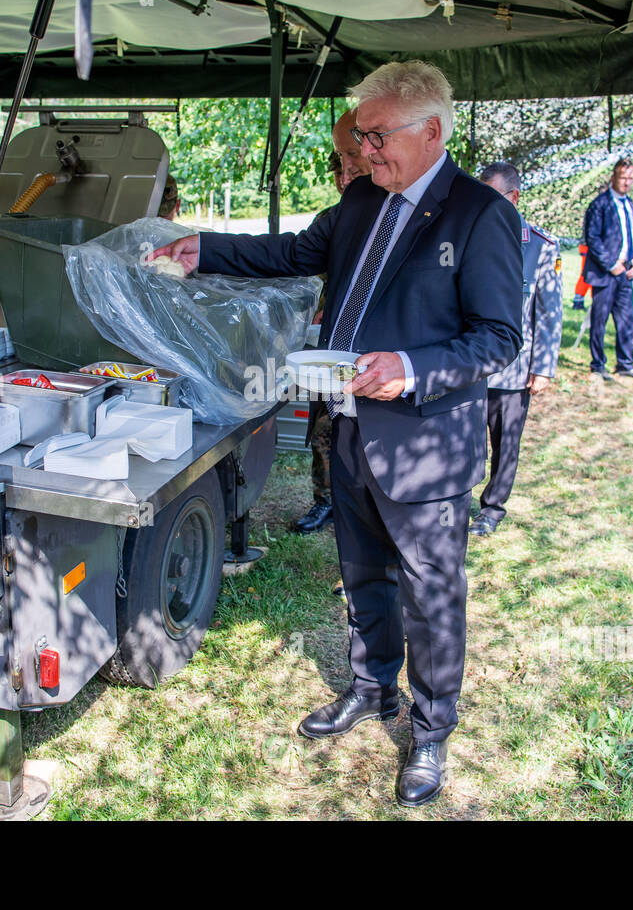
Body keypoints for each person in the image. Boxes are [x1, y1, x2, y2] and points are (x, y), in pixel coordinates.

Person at [152, 61, 523, 807]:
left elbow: (498, 338)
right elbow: (292, 253)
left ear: (430, 132)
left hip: (421, 442)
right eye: (360, 135)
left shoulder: (479, 214)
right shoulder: (361, 199)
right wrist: (205, 250)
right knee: (362, 574)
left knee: (431, 594)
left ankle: (431, 728)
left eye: (376, 135)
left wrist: (412, 367)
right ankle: (371, 686)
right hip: (351, 431)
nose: (364, 149)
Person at [470, 162, 561, 538]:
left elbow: (549, 311)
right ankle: (459, 500)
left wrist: (543, 367)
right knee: (465, 439)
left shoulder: (540, 246)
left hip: (514, 368)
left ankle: (492, 508)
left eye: (491, 195)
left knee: (506, 440)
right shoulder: (471, 235)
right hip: (472, 366)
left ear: (514, 197)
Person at [296, 109, 372, 536]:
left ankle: (354, 506)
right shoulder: (332, 219)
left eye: (350, 162)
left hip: (371, 360)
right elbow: (305, 270)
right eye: (338, 168)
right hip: (330, 351)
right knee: (324, 428)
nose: (344, 176)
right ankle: (324, 499)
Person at [582, 158, 633, 381]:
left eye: (631, 178)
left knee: (626, 320)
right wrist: (612, 265)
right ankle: (598, 364)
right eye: (623, 177)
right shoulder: (600, 204)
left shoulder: (629, 204)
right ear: (614, 177)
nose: (627, 182)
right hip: (605, 274)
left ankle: (625, 364)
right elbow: (593, 238)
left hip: (627, 273)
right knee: (599, 320)